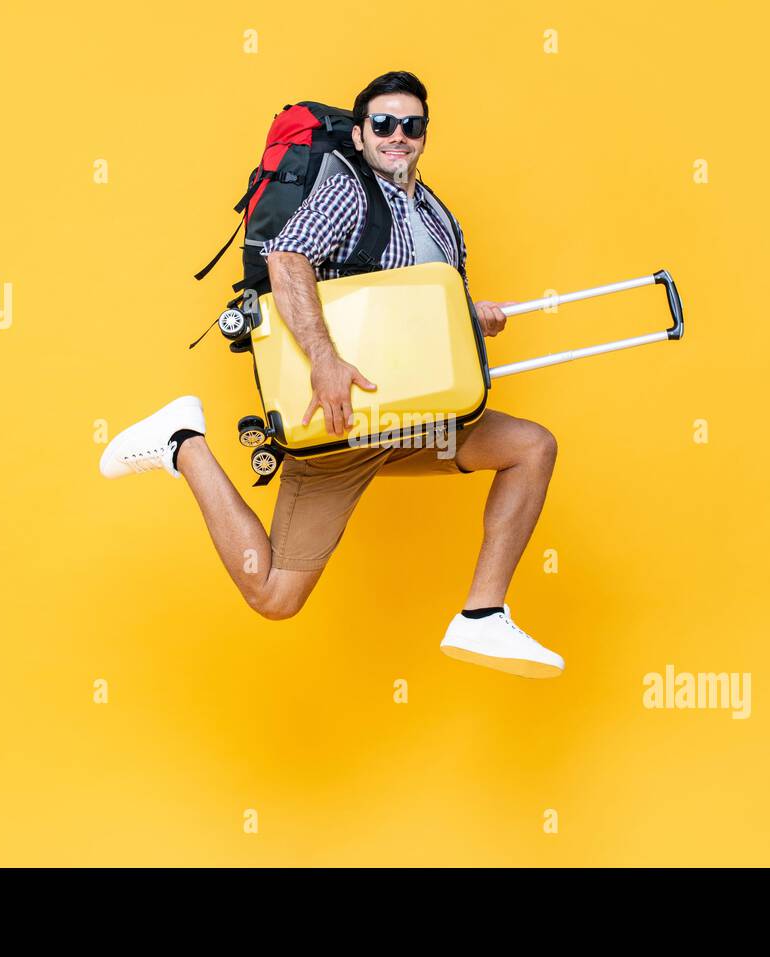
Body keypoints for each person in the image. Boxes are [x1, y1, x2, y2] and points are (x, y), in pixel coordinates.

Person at [101, 71, 564, 678]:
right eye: (383, 124)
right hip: (345, 417)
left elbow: (412, 309)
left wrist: (471, 316)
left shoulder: (436, 213)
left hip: (415, 416)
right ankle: (182, 444)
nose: (398, 135)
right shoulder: (348, 186)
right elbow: (287, 257)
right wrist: (323, 359)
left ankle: (481, 616)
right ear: (362, 131)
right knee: (274, 597)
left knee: (531, 447)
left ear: (424, 133)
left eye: (411, 125)